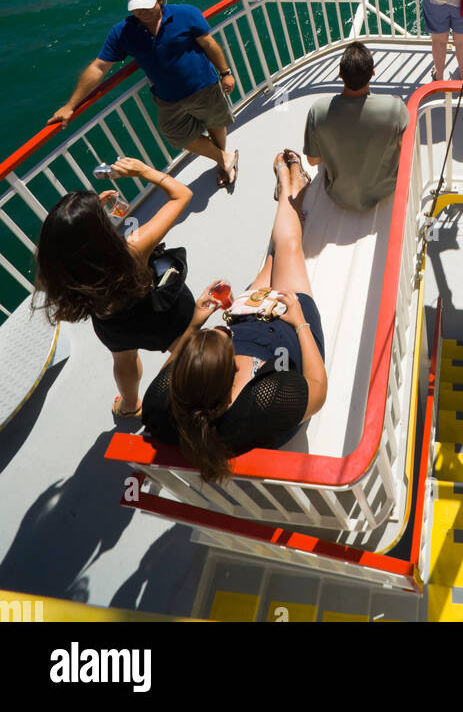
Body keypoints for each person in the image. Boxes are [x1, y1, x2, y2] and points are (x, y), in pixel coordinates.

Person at [142, 151, 327, 481]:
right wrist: (299, 321)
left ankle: (290, 198)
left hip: (252, 326)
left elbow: (176, 362)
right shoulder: (263, 399)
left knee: (271, 260)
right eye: (223, 335)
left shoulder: (160, 404)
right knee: (288, 247)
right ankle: (289, 187)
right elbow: (318, 390)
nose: (224, 327)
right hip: (287, 335)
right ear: (228, 371)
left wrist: (197, 321)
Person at [35, 157, 194, 418]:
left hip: (113, 326)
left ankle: (130, 405)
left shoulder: (63, 271)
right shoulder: (134, 248)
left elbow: (77, 247)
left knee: (123, 360)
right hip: (161, 314)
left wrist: (89, 219)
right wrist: (143, 170)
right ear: (98, 231)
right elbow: (181, 195)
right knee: (186, 349)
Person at [51, 0, 239, 191]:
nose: (142, 12)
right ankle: (224, 157)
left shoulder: (186, 13)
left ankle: (222, 164)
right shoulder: (123, 32)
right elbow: (98, 67)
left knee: (216, 124)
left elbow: (208, 43)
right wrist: (70, 105)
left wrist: (226, 73)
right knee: (177, 136)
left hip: (204, 87)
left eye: (147, 5)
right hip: (167, 99)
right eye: (136, 7)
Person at [303, 42, 408, 211]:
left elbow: (313, 160)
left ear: (340, 75)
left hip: (338, 195)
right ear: (372, 73)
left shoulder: (318, 111)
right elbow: (405, 151)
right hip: (384, 190)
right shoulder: (395, 108)